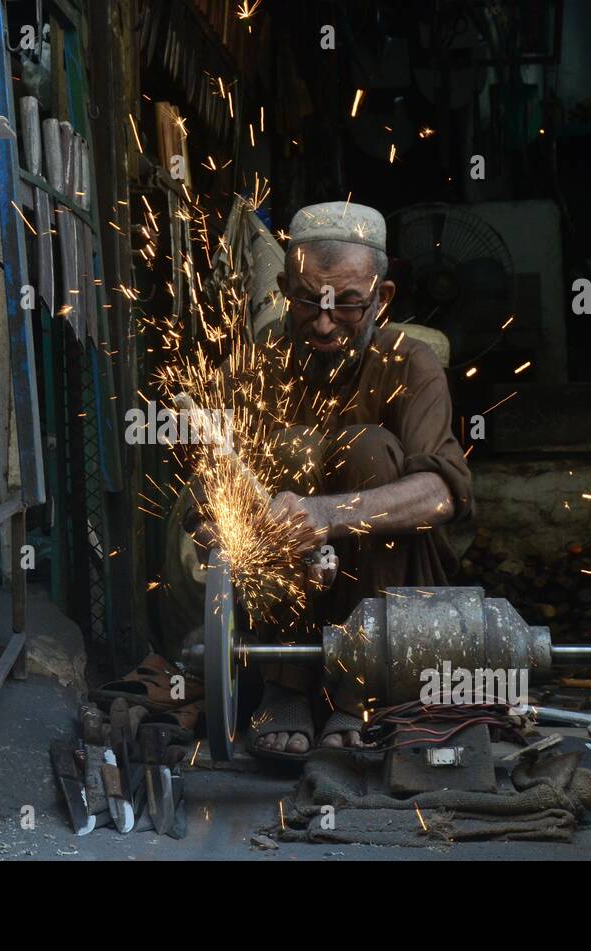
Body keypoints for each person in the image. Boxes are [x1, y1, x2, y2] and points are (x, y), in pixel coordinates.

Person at [162, 200, 474, 758]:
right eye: (308, 302)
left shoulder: (412, 363)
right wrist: (220, 529)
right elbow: (206, 485)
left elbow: (442, 492)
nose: (325, 323)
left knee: (369, 448)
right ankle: (288, 685)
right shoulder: (255, 367)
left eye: (348, 305)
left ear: (384, 296)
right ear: (284, 287)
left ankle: (358, 692)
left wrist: (327, 516)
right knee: (281, 459)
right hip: (288, 596)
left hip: (396, 586)